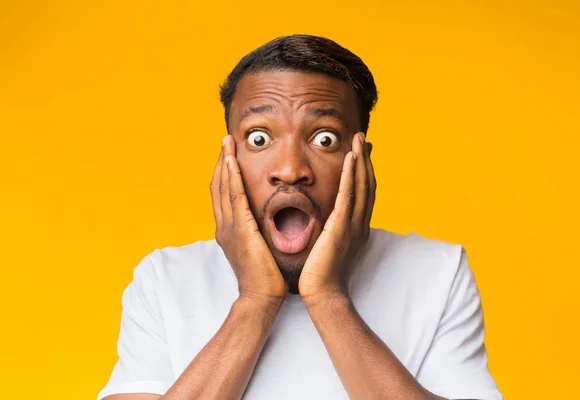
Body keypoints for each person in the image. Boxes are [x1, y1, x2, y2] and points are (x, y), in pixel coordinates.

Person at [98, 34, 503, 400]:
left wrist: (329, 298)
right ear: (228, 159)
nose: (290, 168)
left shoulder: (437, 271)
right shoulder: (165, 278)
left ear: (360, 162)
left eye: (324, 138)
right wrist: (256, 302)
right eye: (260, 138)